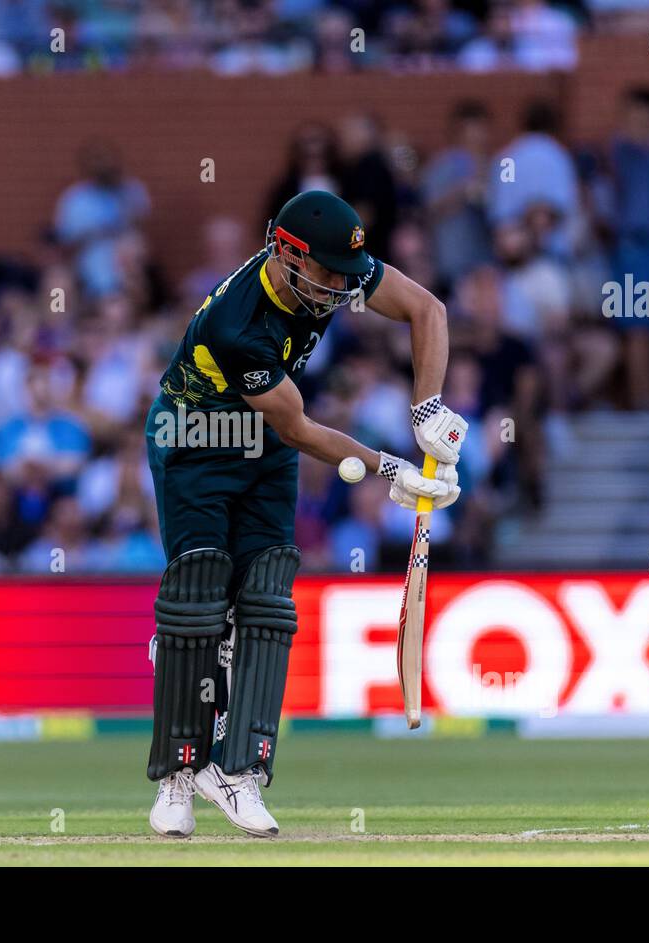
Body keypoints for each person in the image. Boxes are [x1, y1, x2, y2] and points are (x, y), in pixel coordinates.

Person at [144, 191, 467, 837]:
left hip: (261, 448)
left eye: (346, 275)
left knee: (263, 602)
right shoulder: (238, 326)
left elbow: (426, 309)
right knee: (200, 596)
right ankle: (181, 777)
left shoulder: (338, 271)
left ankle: (240, 774)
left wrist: (426, 409)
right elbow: (297, 428)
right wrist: (386, 468)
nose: (340, 288)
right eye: (324, 273)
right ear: (287, 254)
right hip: (194, 444)